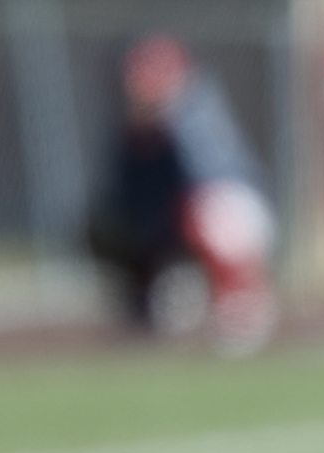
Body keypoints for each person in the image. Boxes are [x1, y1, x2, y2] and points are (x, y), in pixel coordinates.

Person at [85, 34, 278, 356]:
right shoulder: (134, 132)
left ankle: (239, 301)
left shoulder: (192, 113)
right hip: (177, 223)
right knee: (113, 230)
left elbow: (202, 183)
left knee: (200, 211)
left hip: (232, 212)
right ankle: (156, 299)